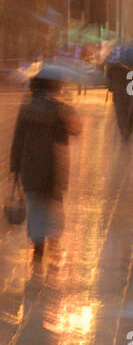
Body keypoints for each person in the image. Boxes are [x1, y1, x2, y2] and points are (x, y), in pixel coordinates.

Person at [9, 74, 79, 264]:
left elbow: (18, 141)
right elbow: (75, 131)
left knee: (34, 205)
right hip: (54, 166)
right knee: (53, 203)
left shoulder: (26, 109)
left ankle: (37, 246)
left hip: (30, 165)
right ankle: (54, 239)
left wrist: (15, 168)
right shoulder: (60, 109)